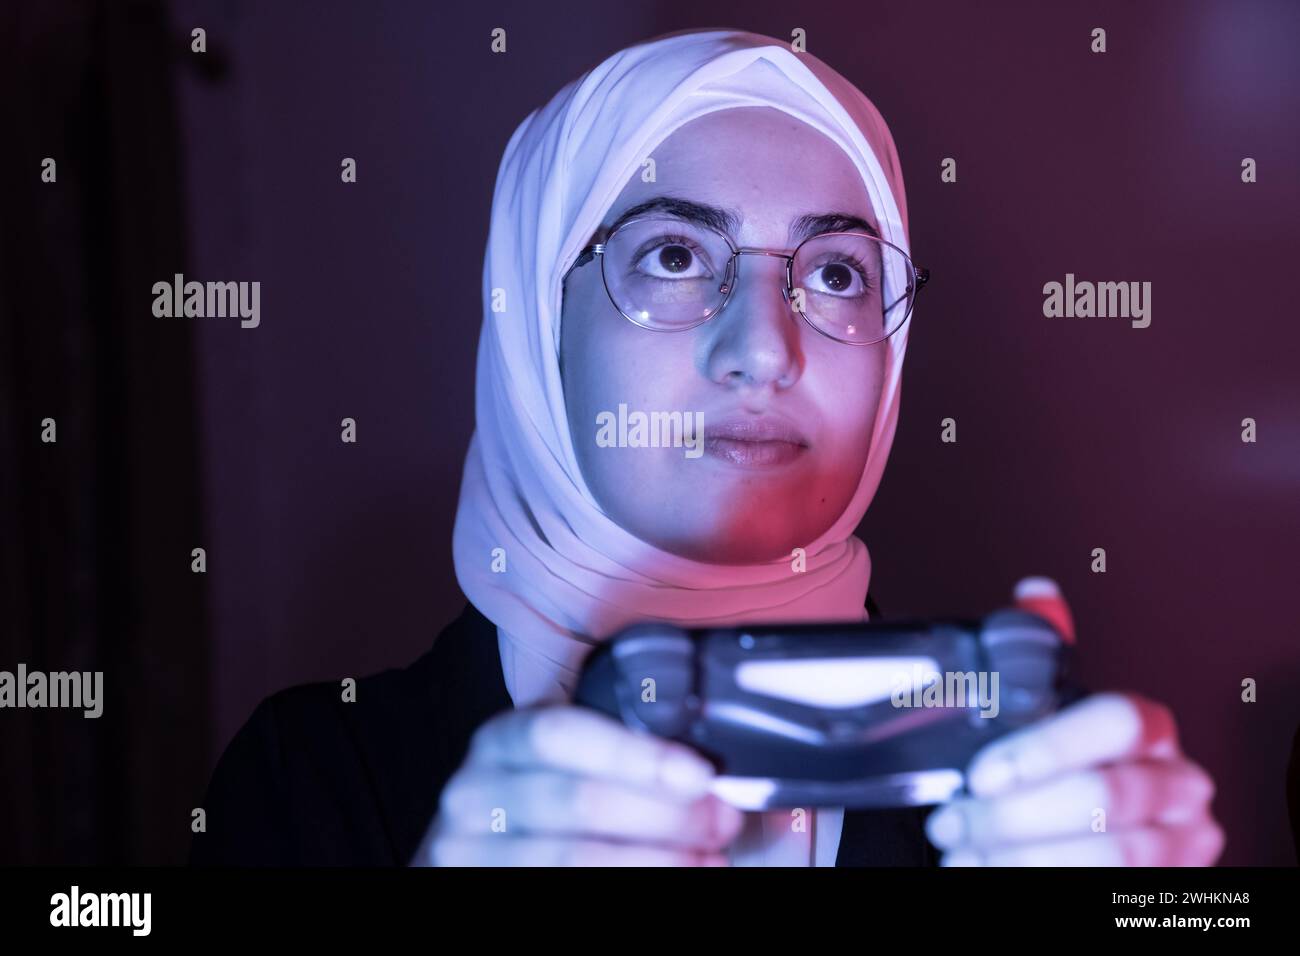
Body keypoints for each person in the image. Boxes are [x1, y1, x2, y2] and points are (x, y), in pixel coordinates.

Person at [190, 28, 1223, 867]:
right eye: (675, 254)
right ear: (534, 328)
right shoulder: (312, 780)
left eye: (833, 274)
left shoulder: (1038, 777)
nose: (763, 350)